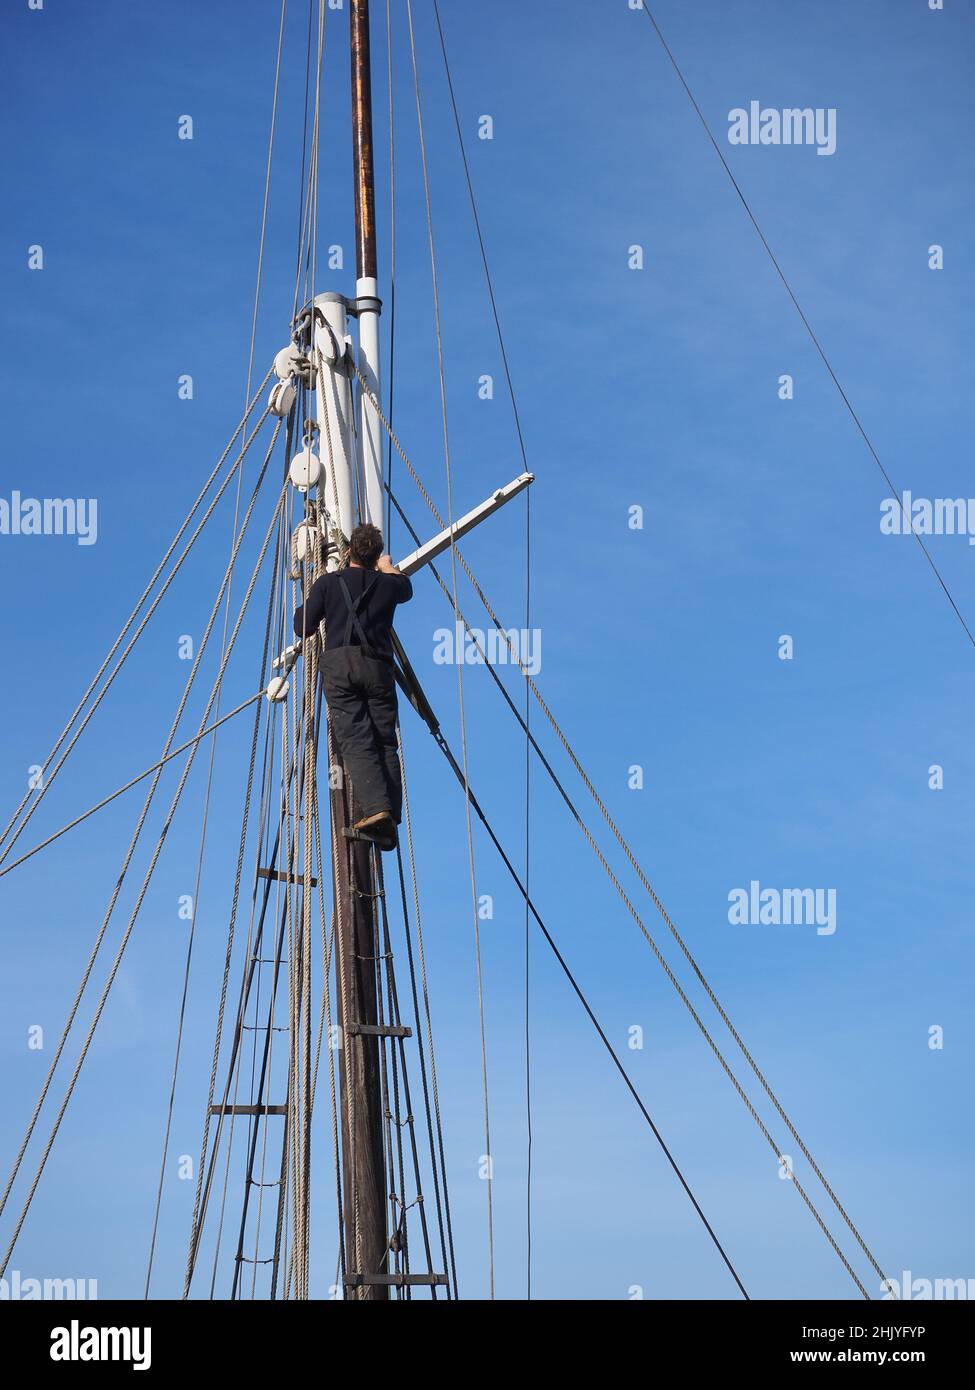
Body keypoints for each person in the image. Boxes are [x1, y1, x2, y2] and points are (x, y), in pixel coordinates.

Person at [293, 522, 412, 848]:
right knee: (384, 741)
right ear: (376, 557)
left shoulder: (329, 583)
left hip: (340, 666)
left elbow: (302, 626)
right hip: (377, 667)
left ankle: (378, 812)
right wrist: (389, 569)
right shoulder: (388, 585)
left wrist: (308, 596)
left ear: (348, 553)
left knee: (357, 740)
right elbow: (406, 589)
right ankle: (390, 817)